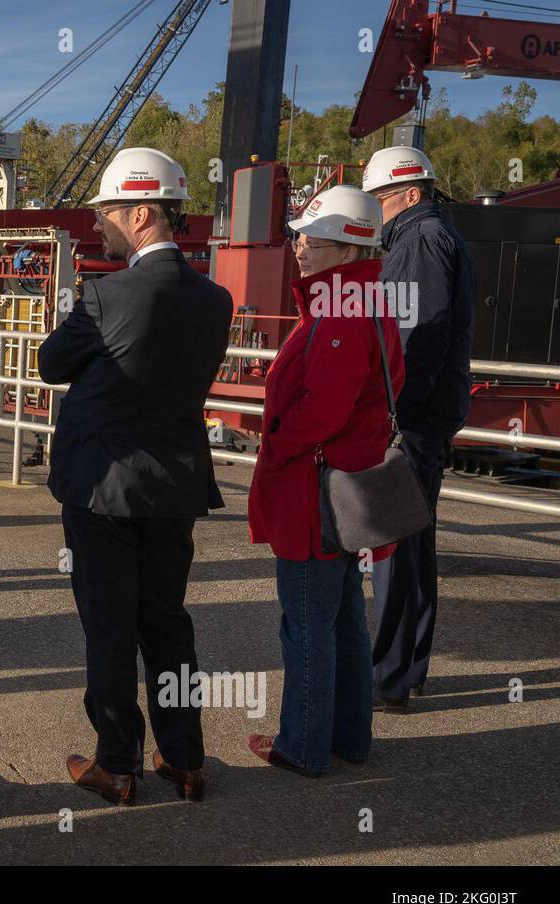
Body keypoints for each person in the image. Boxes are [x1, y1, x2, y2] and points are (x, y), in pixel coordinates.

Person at [38, 148, 233, 805]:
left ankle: (116, 763)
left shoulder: (107, 294)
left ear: (143, 212)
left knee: (110, 628)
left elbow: (50, 362)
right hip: (174, 486)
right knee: (168, 624)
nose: (100, 224)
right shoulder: (216, 299)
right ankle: (183, 759)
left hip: (104, 488)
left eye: (109, 211)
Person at [246, 185, 405, 776]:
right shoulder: (368, 298)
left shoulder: (338, 306)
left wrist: (278, 444)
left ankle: (304, 746)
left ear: (343, 245)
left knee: (305, 625)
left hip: (316, 491)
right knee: (343, 622)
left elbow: (327, 406)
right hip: (346, 489)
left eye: (310, 239)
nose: (299, 249)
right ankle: (348, 738)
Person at [362, 146, 475, 712]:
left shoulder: (418, 241)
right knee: (414, 544)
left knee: (395, 550)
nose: (377, 212)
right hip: (430, 416)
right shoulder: (437, 236)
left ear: (407, 194)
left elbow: (416, 336)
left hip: (413, 421)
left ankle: (387, 679)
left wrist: (392, 413)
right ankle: (408, 671)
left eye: (380, 199)